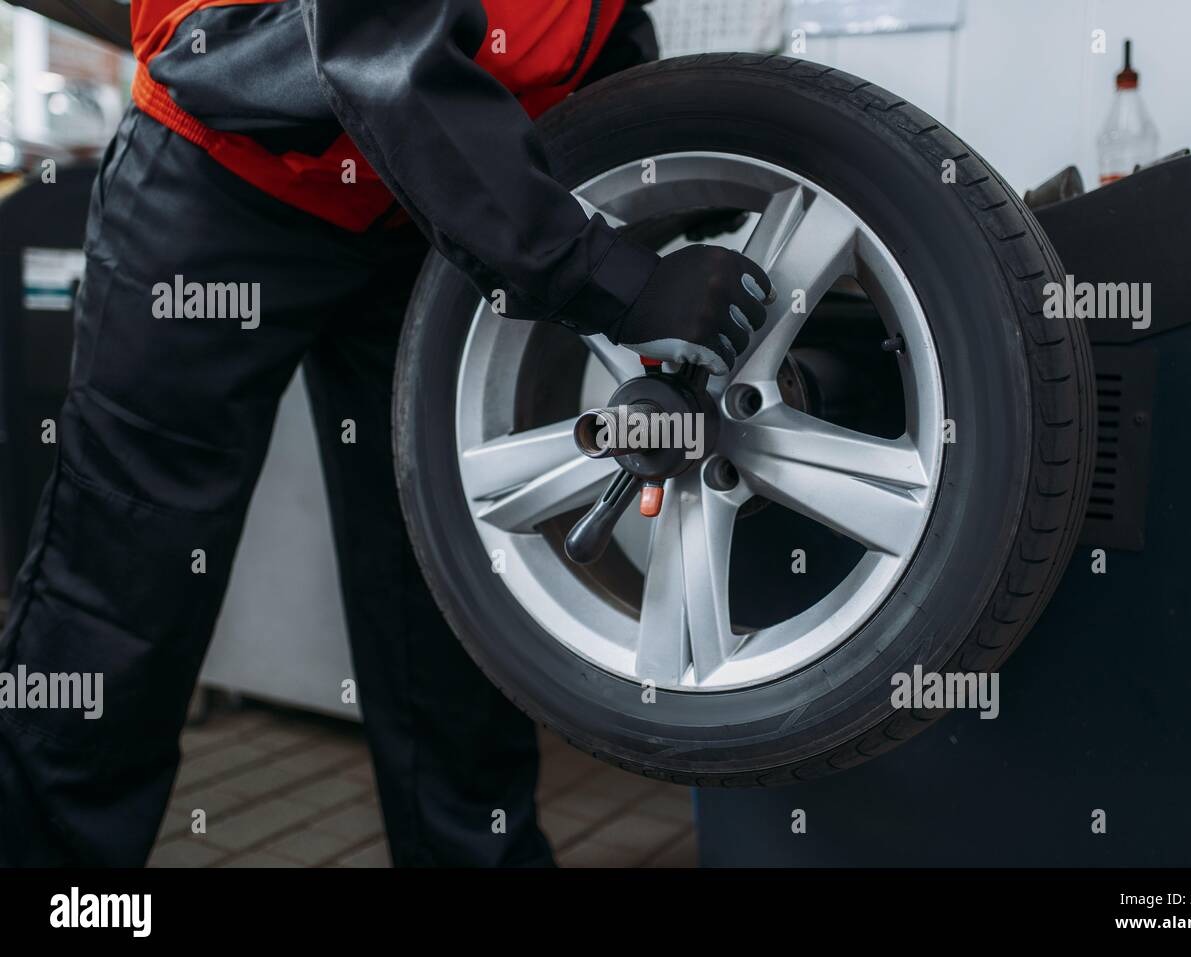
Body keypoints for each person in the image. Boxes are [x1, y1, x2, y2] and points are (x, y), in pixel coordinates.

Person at [0, 0, 769, 866]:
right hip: (220, 177)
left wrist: (670, 210)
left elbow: (596, 49)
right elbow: (377, 43)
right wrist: (611, 279)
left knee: (441, 589)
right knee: (125, 585)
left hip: (420, 211)